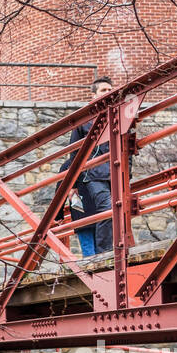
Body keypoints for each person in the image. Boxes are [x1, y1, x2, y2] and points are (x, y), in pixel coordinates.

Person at [61, 76, 115, 257]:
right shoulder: (84, 121)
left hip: (113, 174)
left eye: (110, 90)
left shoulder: (117, 116)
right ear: (93, 96)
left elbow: (127, 148)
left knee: (113, 212)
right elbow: (74, 155)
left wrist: (127, 174)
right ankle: (102, 256)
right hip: (92, 176)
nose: (108, 93)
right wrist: (74, 184)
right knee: (105, 211)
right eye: (103, 91)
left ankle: (105, 255)